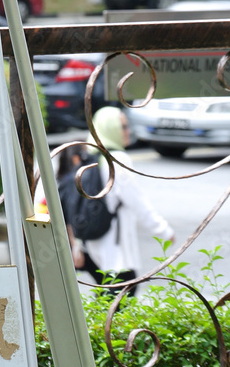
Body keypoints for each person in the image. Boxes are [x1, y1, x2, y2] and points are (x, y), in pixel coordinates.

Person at [65, 106, 175, 295]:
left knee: (108, 294)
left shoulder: (91, 155)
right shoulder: (117, 160)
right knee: (122, 294)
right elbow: (137, 201)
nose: (128, 131)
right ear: (111, 129)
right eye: (123, 127)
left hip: (92, 243)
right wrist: (163, 230)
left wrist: (77, 246)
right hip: (113, 248)